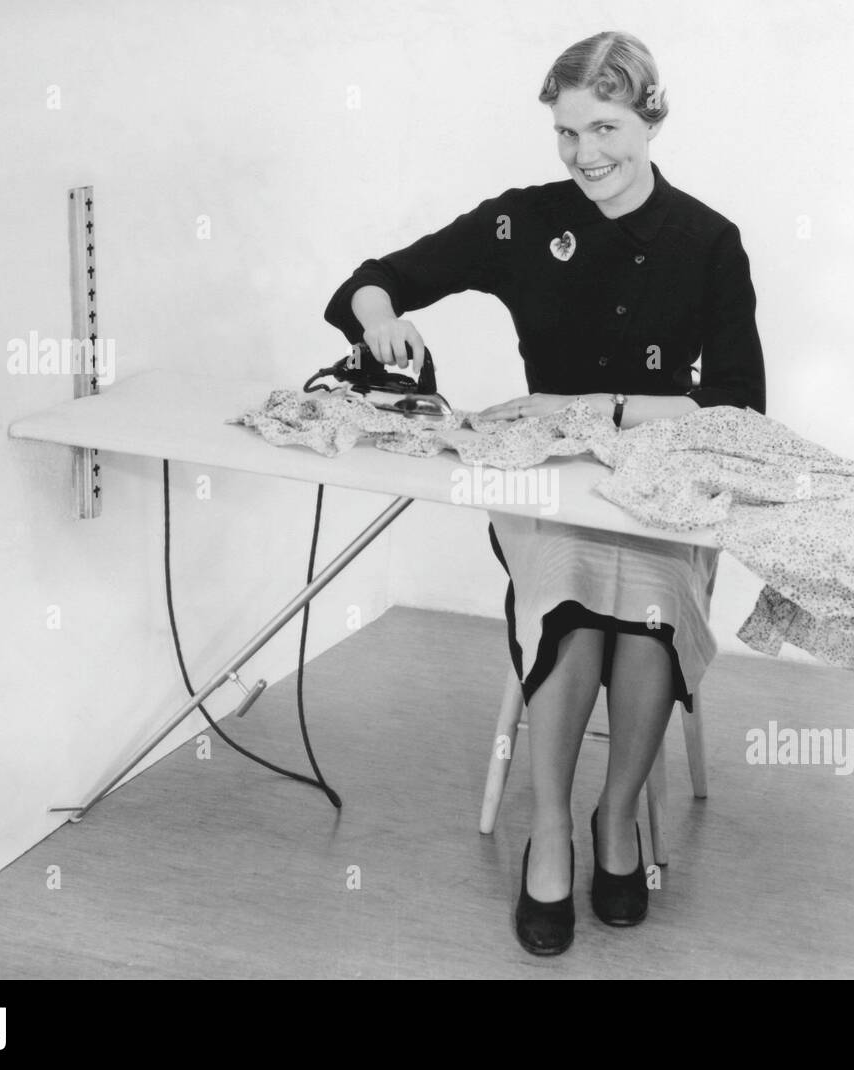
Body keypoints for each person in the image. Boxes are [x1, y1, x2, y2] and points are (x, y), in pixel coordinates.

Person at [323, 31, 765, 955]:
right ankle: (554, 829)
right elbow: (378, 278)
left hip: (664, 487)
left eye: (603, 127)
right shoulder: (521, 222)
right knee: (568, 592)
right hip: (541, 486)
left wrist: (597, 404)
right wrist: (380, 316)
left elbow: (737, 405)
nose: (585, 154)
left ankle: (616, 820)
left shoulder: (708, 242)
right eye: (566, 132)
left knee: (642, 603)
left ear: (651, 118)